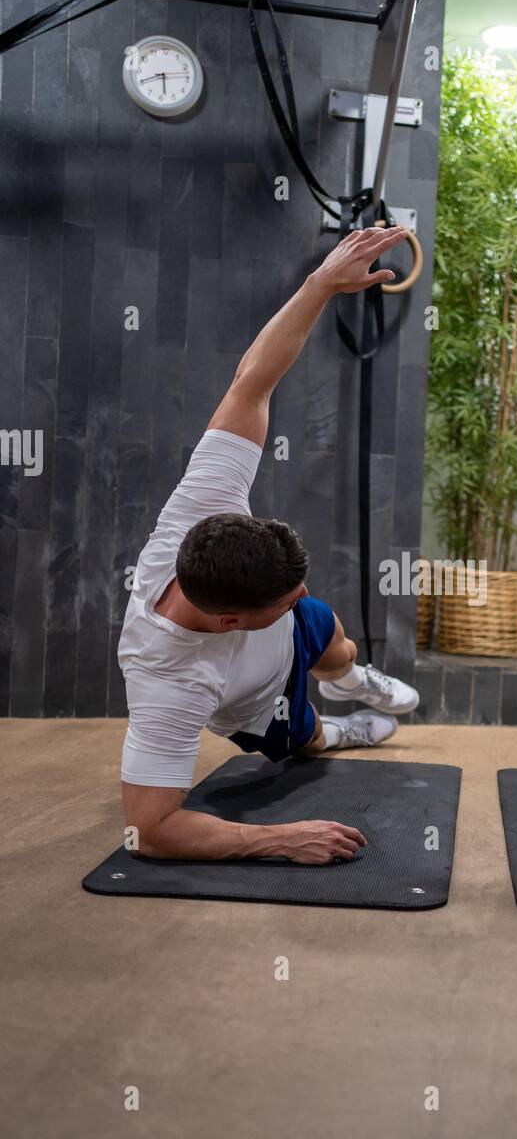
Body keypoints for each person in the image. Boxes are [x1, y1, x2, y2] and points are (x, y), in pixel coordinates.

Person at [119, 226, 418, 865]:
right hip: (259, 702)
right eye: (287, 595)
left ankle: (350, 678)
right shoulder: (167, 678)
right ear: (231, 622)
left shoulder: (202, 509)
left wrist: (320, 284)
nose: (302, 592)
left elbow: (251, 382)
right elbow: (147, 831)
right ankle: (336, 728)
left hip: (281, 635)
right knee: (304, 742)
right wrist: (276, 839)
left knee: (331, 632)